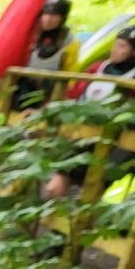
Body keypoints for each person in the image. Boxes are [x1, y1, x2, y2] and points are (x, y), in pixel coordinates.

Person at [42, 28, 135, 201]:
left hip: (116, 141)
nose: (115, 50)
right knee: (56, 179)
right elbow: (74, 95)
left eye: (122, 46)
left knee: (95, 179)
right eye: (115, 44)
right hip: (80, 132)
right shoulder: (97, 68)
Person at [11, 0, 75, 114]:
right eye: (46, 14)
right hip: (23, 91)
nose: (48, 19)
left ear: (63, 18)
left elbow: (69, 81)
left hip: (46, 97)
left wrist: (46, 108)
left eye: (54, 15)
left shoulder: (70, 43)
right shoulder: (31, 36)